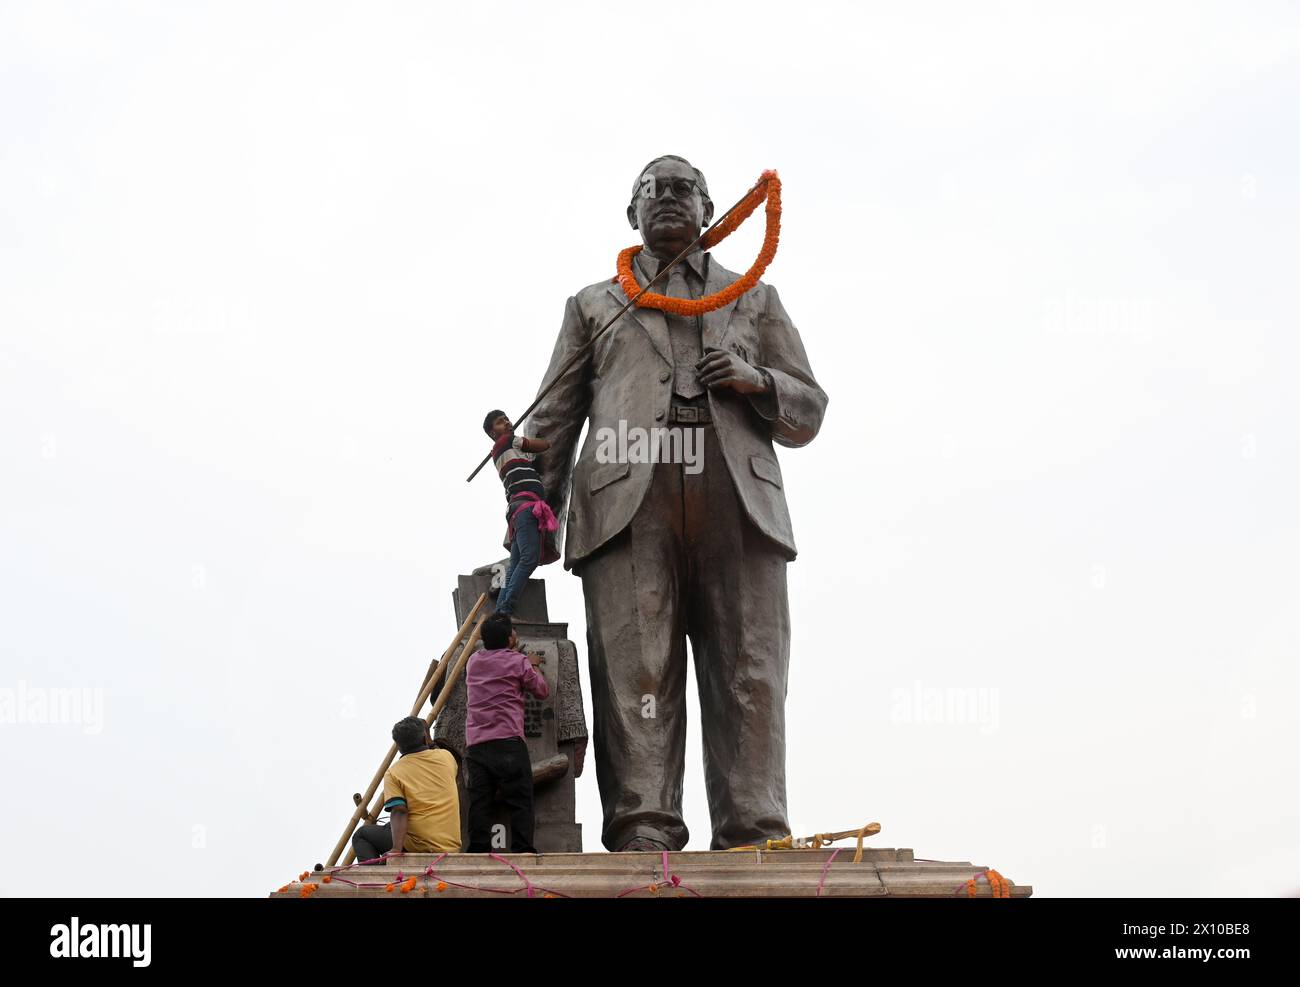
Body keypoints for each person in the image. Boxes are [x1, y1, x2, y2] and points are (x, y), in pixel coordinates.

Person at [524, 155, 828, 852]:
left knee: (748, 670)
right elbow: (554, 416)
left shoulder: (754, 297)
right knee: (636, 671)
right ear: (632, 214)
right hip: (629, 498)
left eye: (681, 187)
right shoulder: (595, 304)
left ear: (708, 209)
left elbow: (809, 408)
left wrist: (755, 378)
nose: (665, 197)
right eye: (649, 189)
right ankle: (643, 830)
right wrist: (532, 505)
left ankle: (755, 830)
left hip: (737, 496)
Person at [464, 612, 549, 853]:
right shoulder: (518, 662)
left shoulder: (473, 661)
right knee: (521, 799)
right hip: (508, 742)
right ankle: (522, 849)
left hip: (477, 745)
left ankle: (477, 850)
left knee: (480, 801)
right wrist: (532, 663)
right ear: (510, 639)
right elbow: (541, 690)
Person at [352, 717, 462, 862]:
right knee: (389, 826)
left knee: (362, 835)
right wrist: (427, 737)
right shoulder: (446, 758)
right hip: (450, 845)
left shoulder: (394, 772)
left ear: (398, 746)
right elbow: (431, 747)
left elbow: (399, 810)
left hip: (419, 845)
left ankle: (377, 881)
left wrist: (396, 849)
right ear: (424, 738)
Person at [483, 410, 557, 615]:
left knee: (515, 565)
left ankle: (500, 611)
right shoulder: (509, 441)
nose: (507, 423)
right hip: (525, 508)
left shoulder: (503, 450)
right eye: (500, 422)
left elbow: (527, 456)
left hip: (518, 510)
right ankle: (506, 609)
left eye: (507, 419)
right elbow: (541, 446)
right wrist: (545, 438)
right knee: (529, 559)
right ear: (492, 433)